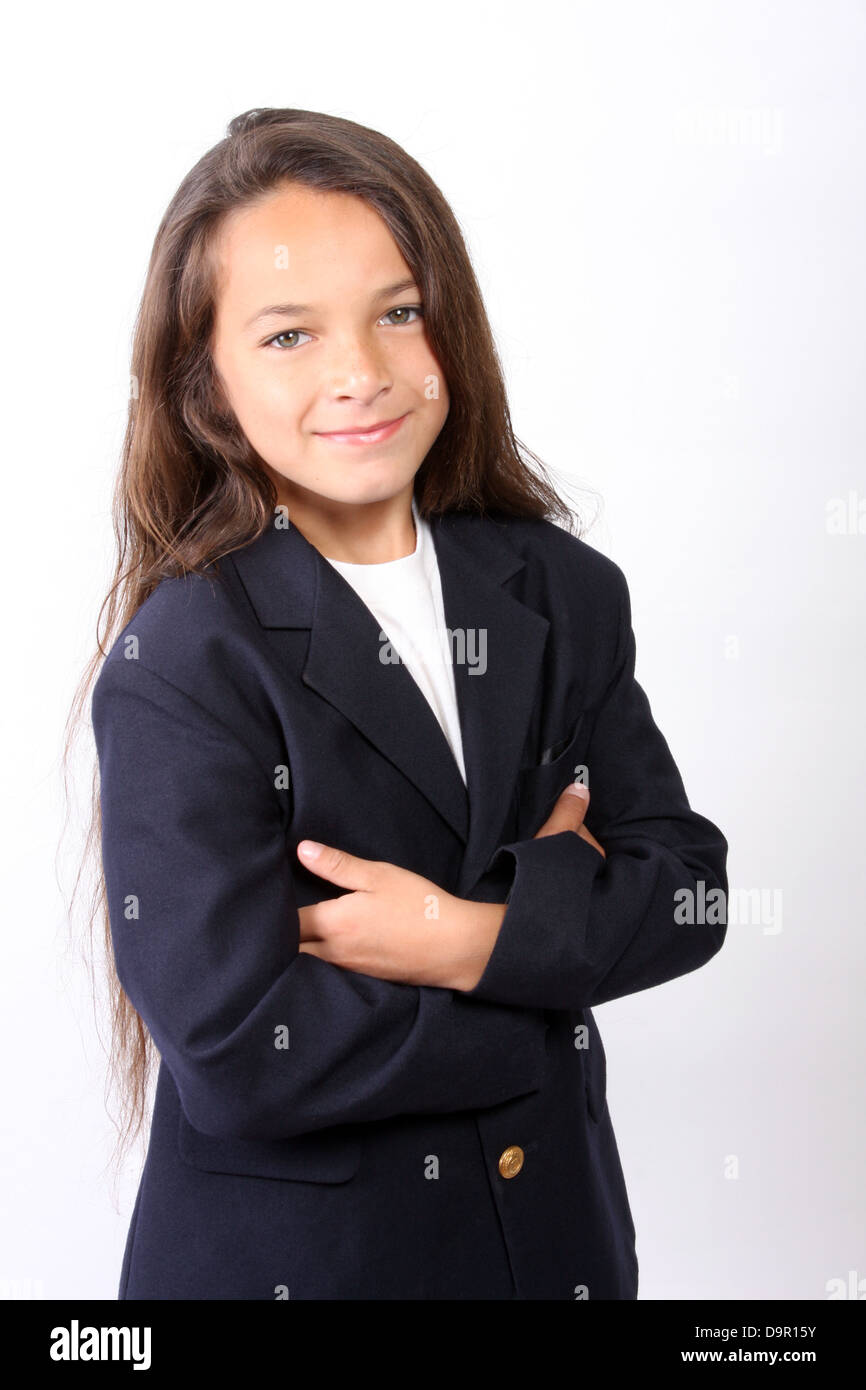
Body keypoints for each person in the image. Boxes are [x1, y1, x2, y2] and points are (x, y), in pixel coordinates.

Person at [84, 107, 728, 1300]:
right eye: (288, 335)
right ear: (208, 387)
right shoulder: (189, 655)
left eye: (397, 310)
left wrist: (461, 936)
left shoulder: (560, 589)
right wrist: (543, 972)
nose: (360, 375)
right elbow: (238, 1056)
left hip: (553, 1254)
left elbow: (684, 888)